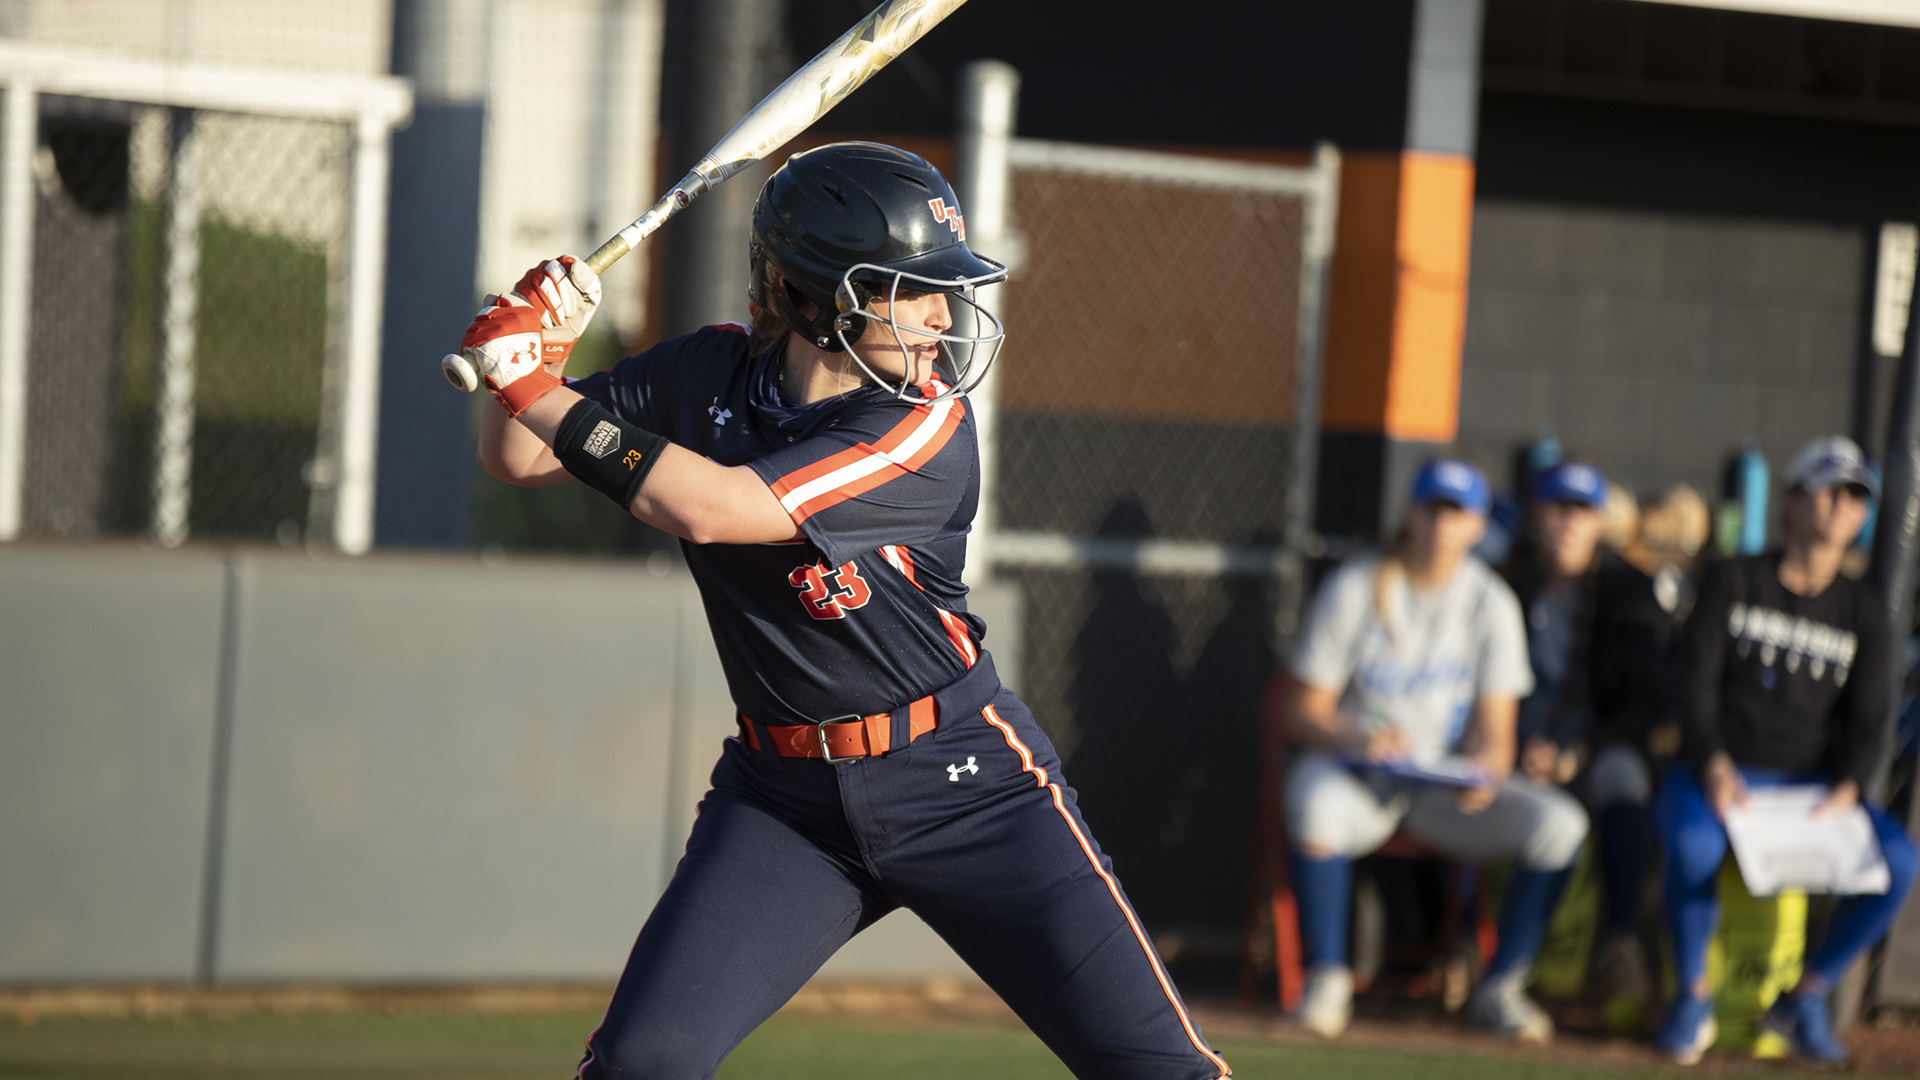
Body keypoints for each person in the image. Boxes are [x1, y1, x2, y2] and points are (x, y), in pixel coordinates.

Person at [464, 143, 1230, 1079]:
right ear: (816, 301)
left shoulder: (924, 423)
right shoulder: (705, 372)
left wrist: (526, 381)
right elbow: (520, 455)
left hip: (962, 781)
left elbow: (710, 508)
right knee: (640, 1063)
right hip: (785, 803)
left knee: (1157, 1069)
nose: (942, 315)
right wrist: (536, 350)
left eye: (941, 289)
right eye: (910, 289)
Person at [1283, 458, 1589, 1043]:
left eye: (1458, 513)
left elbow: (1498, 737)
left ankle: (1500, 990)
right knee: (1312, 805)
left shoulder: (1489, 601)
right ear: (1411, 512)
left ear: (1478, 525)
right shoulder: (1359, 585)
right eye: (1433, 509)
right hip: (1361, 779)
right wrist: (1354, 734)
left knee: (1561, 825)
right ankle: (1328, 979)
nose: (1442, 526)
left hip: (1443, 790)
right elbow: (1299, 713)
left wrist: (1488, 771)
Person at [1654, 435, 1918, 1066]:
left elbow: (1872, 721)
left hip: (1810, 792)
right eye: (1828, 491)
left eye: (1856, 496)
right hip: (1723, 774)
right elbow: (1693, 688)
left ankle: (1804, 996)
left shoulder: (1865, 613)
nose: (1840, 507)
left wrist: (1851, 788)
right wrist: (1714, 765)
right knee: (1691, 843)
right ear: (1792, 501)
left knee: (1899, 864)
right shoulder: (1733, 579)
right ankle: (1693, 998)